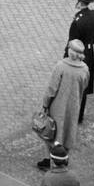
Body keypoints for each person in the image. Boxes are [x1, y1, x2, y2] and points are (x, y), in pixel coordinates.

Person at [38, 40, 89, 171]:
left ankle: (50, 160)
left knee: (53, 133)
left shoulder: (61, 66)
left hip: (57, 106)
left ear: (70, 51)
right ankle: (63, 157)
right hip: (74, 106)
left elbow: (52, 88)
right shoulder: (84, 69)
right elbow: (84, 86)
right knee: (67, 131)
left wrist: (45, 104)